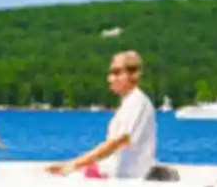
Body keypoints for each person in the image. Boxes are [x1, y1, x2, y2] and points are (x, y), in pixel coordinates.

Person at [46, 50, 156, 178]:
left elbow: (117, 142)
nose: (110, 79)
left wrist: (73, 165)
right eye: (110, 73)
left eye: (117, 73)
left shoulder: (137, 103)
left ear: (133, 75)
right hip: (118, 178)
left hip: (128, 183)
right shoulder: (129, 103)